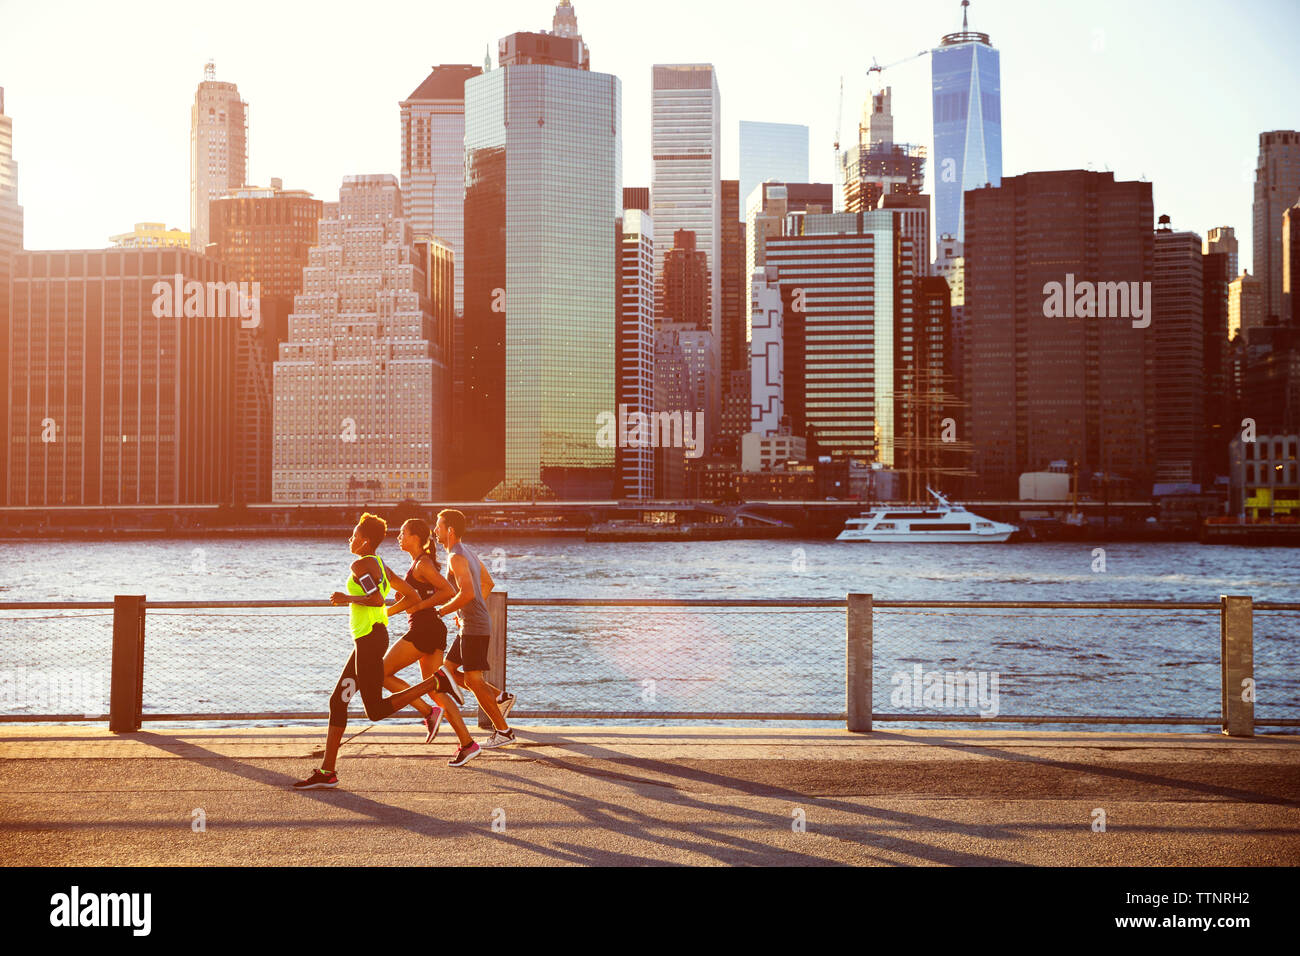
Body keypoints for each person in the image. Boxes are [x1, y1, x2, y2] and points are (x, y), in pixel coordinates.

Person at [293, 512, 451, 790]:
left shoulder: (360, 565)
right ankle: (328, 771)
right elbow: (412, 597)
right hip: (371, 637)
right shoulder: (382, 566)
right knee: (338, 701)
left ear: (365, 541)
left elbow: (375, 598)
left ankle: (435, 683)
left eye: (354, 535)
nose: (350, 539)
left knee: (374, 710)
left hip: (368, 640)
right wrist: (384, 614)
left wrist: (347, 599)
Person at [382, 518, 481, 767]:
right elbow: (422, 592)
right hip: (431, 630)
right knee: (437, 689)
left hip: (425, 629)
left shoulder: (422, 564)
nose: (398, 536)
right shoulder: (417, 564)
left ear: (416, 537)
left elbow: (448, 591)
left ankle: (427, 712)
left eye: (403, 532)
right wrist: (404, 600)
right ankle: (468, 744)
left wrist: (418, 605)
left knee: (380, 673)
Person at [434, 508, 516, 747]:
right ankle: (500, 697)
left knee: (473, 681)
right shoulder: (467, 552)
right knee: (447, 670)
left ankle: (504, 731)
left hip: (474, 627)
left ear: (450, 530)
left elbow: (467, 592)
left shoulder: (455, 557)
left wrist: (441, 611)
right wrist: (465, 611)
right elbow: (487, 583)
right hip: (471, 624)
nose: (435, 530)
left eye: (438, 526)